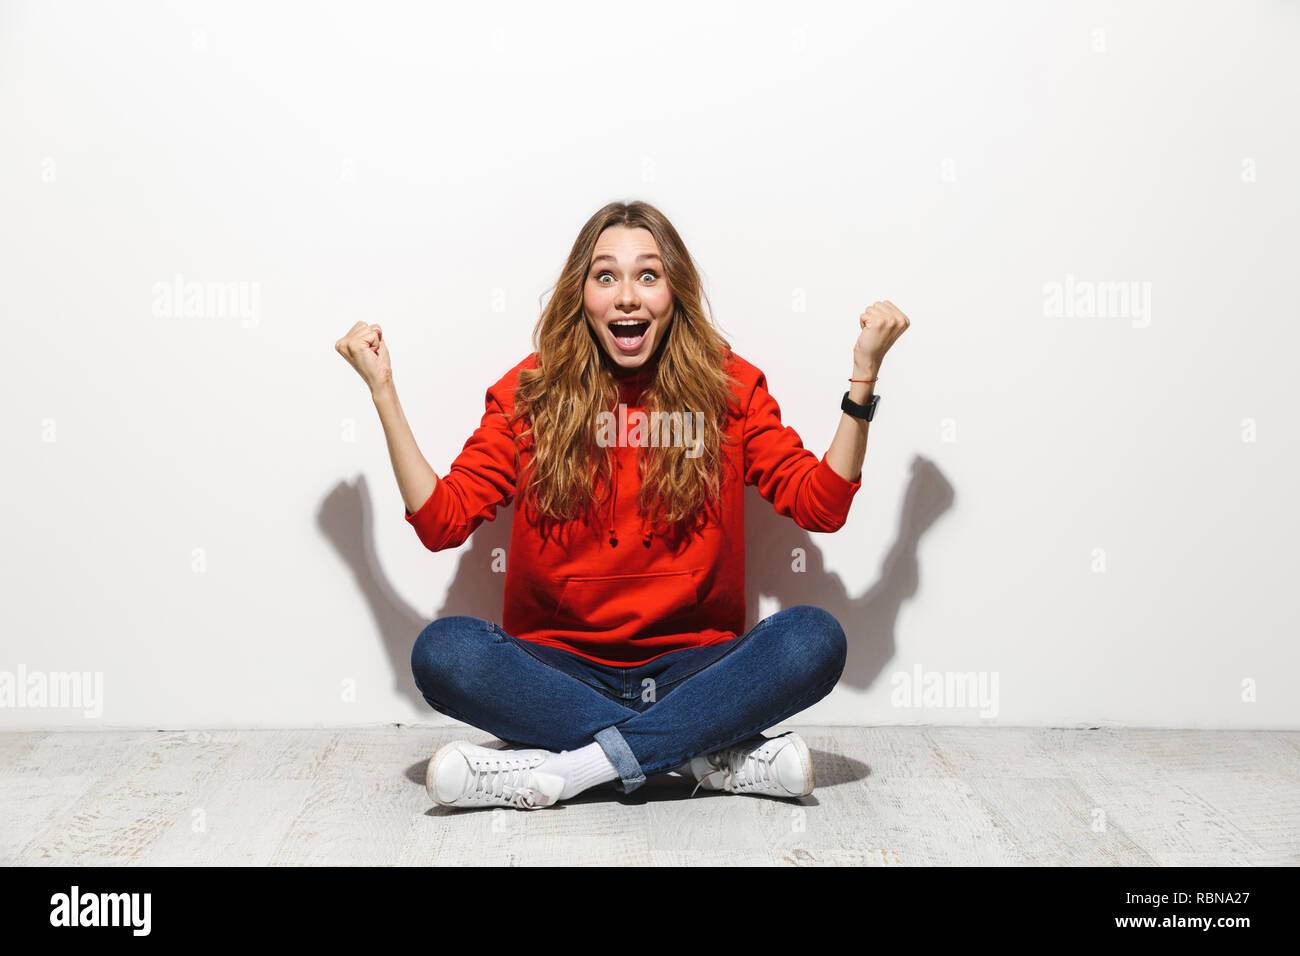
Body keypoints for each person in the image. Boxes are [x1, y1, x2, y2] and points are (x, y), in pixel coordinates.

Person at [335, 200, 910, 810]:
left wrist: (862, 377)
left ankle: (571, 769)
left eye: (648, 275)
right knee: (444, 654)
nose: (627, 296)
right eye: (606, 275)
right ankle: (705, 757)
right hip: (560, 674)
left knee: (812, 640)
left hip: (696, 671)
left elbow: (821, 507)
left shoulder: (731, 389)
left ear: (674, 293)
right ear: (581, 295)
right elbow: (441, 522)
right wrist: (383, 390)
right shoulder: (527, 395)